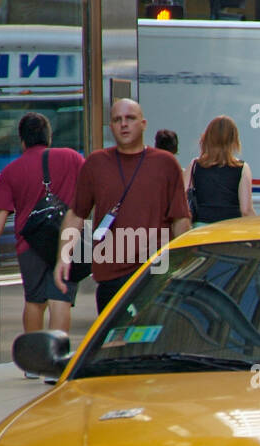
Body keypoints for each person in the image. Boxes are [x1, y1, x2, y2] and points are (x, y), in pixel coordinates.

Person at [56, 99, 191, 312]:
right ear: (111, 127)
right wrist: (63, 257)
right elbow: (76, 214)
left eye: (130, 118)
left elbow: (180, 219)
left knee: (149, 341)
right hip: (110, 273)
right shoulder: (96, 163)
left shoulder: (166, 164)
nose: (124, 124)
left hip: (153, 273)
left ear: (144, 123)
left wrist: (179, 265)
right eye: (118, 120)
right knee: (112, 343)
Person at [0, 112, 86, 364]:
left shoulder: (11, 171)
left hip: (29, 245)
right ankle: (57, 358)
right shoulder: (71, 157)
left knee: (34, 301)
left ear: (22, 140)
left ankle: (33, 362)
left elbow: (1, 211)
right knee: (60, 298)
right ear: (48, 136)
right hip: (67, 242)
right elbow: (91, 186)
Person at [182, 115, 254, 226]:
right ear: (234, 139)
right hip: (230, 229)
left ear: (207, 137)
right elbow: (246, 210)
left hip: (201, 229)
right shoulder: (242, 168)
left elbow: (182, 200)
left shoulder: (195, 165)